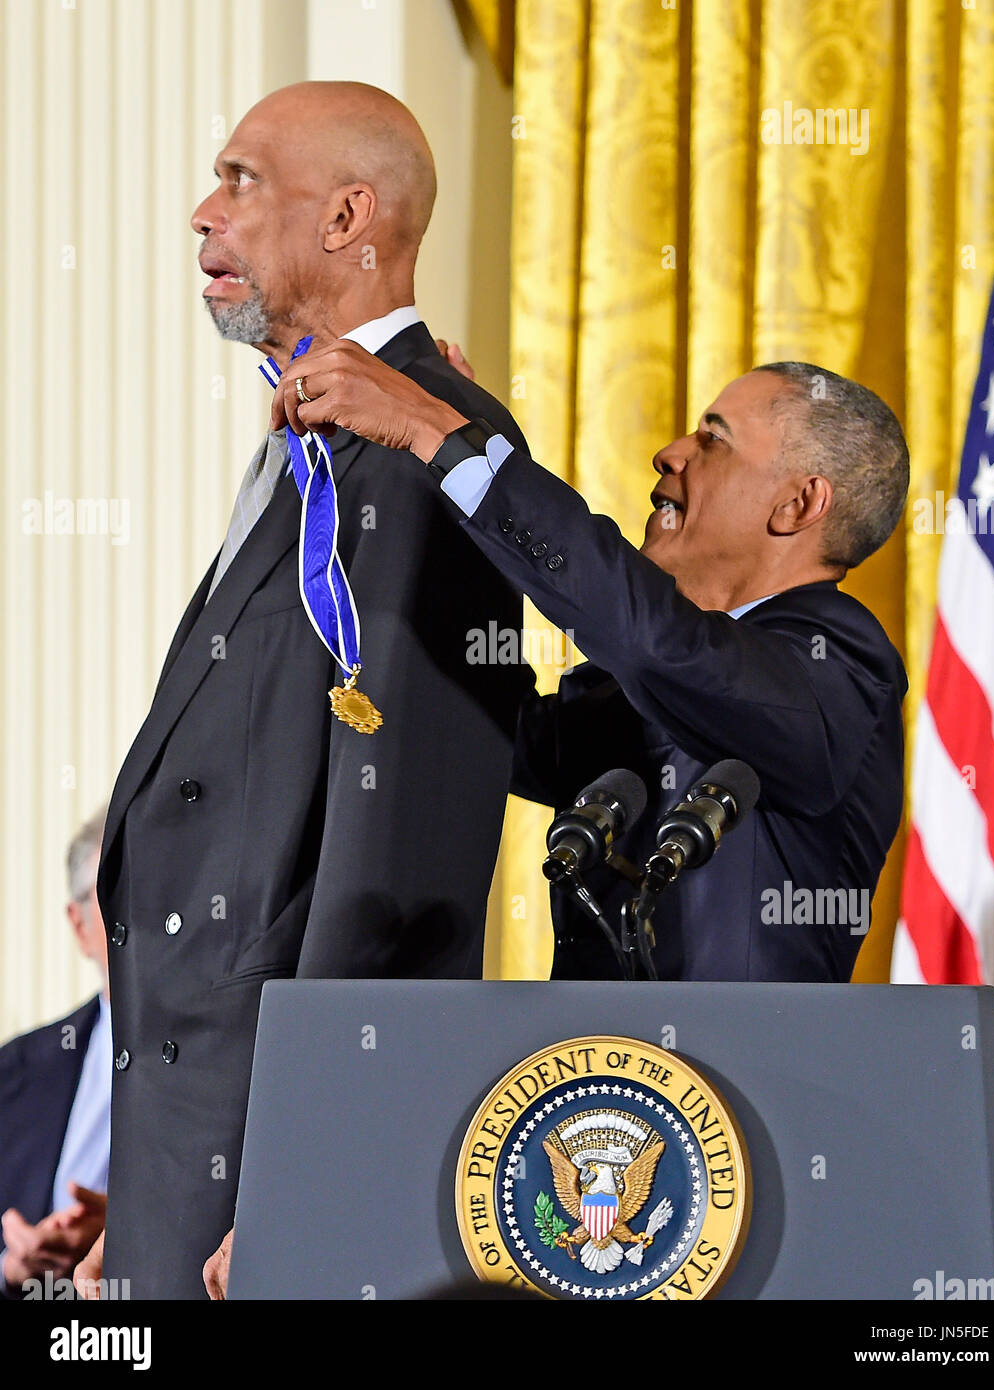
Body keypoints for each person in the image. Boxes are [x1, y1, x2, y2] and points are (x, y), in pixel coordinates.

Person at [77, 82, 528, 1301]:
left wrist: (311, 1167)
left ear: (346, 219)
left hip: (273, 1161)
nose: (199, 213)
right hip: (194, 1137)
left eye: (239, 182)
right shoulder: (311, 435)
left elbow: (403, 844)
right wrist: (154, 1177)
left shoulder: (431, 440)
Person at [266, 337, 909, 985]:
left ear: (797, 504)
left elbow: (657, 643)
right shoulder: (632, 679)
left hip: (738, 1083)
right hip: (589, 1076)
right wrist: (426, 486)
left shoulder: (841, 662)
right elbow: (488, 724)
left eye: (713, 439)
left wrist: (444, 435)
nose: (669, 452)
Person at [0, 808, 110, 1298]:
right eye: (117, 892)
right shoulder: (13, 1071)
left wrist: (126, 1232)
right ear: (79, 924)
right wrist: (12, 1268)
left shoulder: (255, 1065)